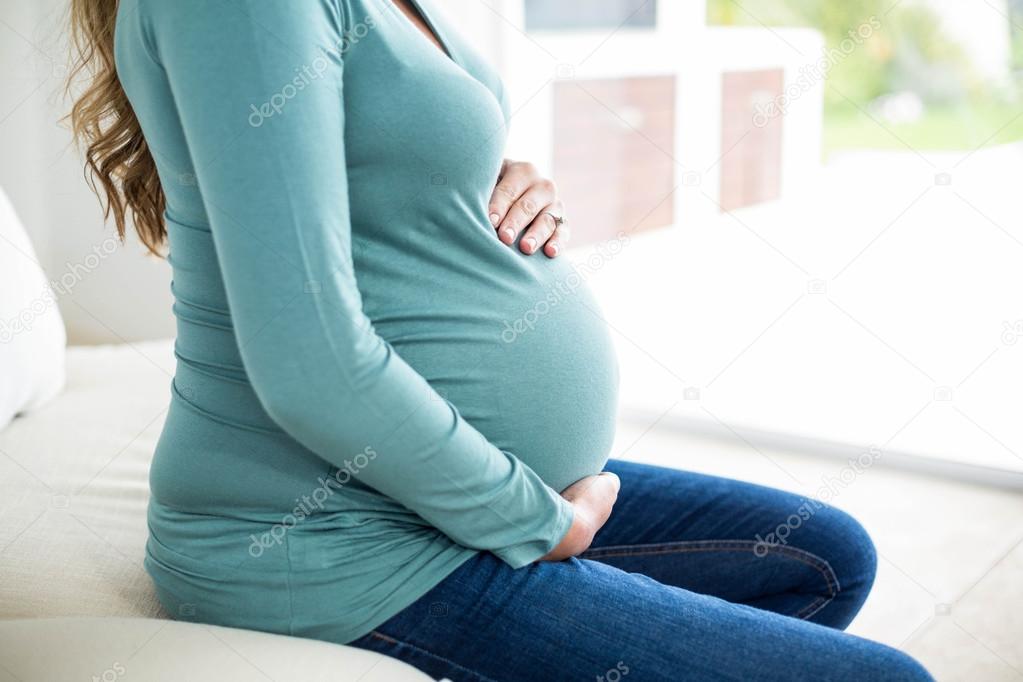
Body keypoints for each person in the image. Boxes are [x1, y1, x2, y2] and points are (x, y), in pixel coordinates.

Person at [66, 0, 933, 679]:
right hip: (329, 533)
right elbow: (306, 360)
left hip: (416, 493)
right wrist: (540, 523)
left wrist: (485, 177)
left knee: (820, 557)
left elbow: (374, 162)